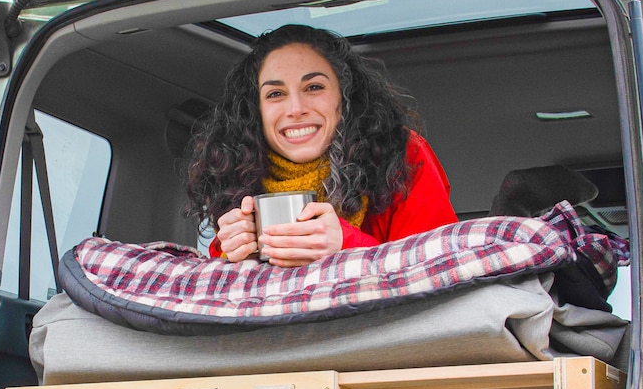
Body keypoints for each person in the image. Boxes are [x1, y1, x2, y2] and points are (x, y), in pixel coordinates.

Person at [185, 24, 457, 267]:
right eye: (275, 94)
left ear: (345, 97)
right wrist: (232, 253)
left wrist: (345, 245)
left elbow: (440, 271)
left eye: (314, 87)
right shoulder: (236, 172)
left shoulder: (401, 153)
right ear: (256, 111)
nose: (296, 109)